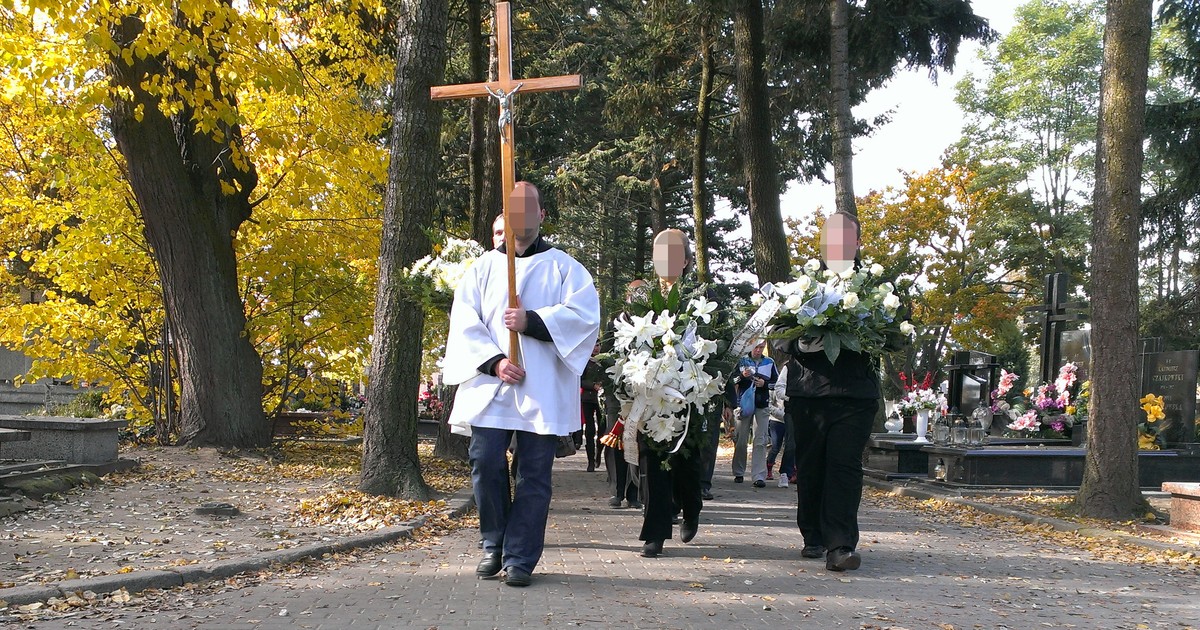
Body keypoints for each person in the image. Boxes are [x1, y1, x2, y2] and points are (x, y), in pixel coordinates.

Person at [443, 181, 601, 587]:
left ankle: (520, 557)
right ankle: (493, 543)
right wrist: (495, 362)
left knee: (534, 474)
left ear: (541, 216)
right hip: (491, 387)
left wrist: (531, 321)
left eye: (530, 209)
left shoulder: (567, 268)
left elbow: (584, 318)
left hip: (542, 388)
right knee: (485, 461)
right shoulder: (481, 269)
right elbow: (464, 322)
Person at [786, 211, 877, 572]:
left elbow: (895, 333)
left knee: (843, 466)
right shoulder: (802, 285)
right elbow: (785, 335)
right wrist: (805, 342)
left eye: (845, 238)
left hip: (855, 394)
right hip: (809, 394)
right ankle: (813, 534)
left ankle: (840, 545)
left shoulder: (876, 286)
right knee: (811, 466)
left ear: (857, 244)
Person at [732, 340, 778, 487]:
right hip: (744, 404)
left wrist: (765, 384)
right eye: (756, 347)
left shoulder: (769, 362)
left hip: (761, 404)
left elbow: (777, 383)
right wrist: (742, 376)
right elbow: (732, 380)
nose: (758, 350)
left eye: (761, 347)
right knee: (741, 439)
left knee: (761, 439)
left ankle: (759, 476)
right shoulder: (742, 360)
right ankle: (739, 472)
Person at [766, 362, 795, 488]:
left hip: (812, 411)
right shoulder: (789, 367)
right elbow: (779, 389)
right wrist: (793, 397)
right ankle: (785, 473)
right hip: (787, 413)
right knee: (788, 444)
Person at [580, 344, 605, 472]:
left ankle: (598, 453)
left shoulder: (604, 361)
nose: (596, 348)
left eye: (598, 345)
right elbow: (580, 379)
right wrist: (592, 385)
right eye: (594, 345)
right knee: (589, 430)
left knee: (602, 429)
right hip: (588, 399)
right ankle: (590, 461)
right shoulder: (585, 361)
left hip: (601, 400)